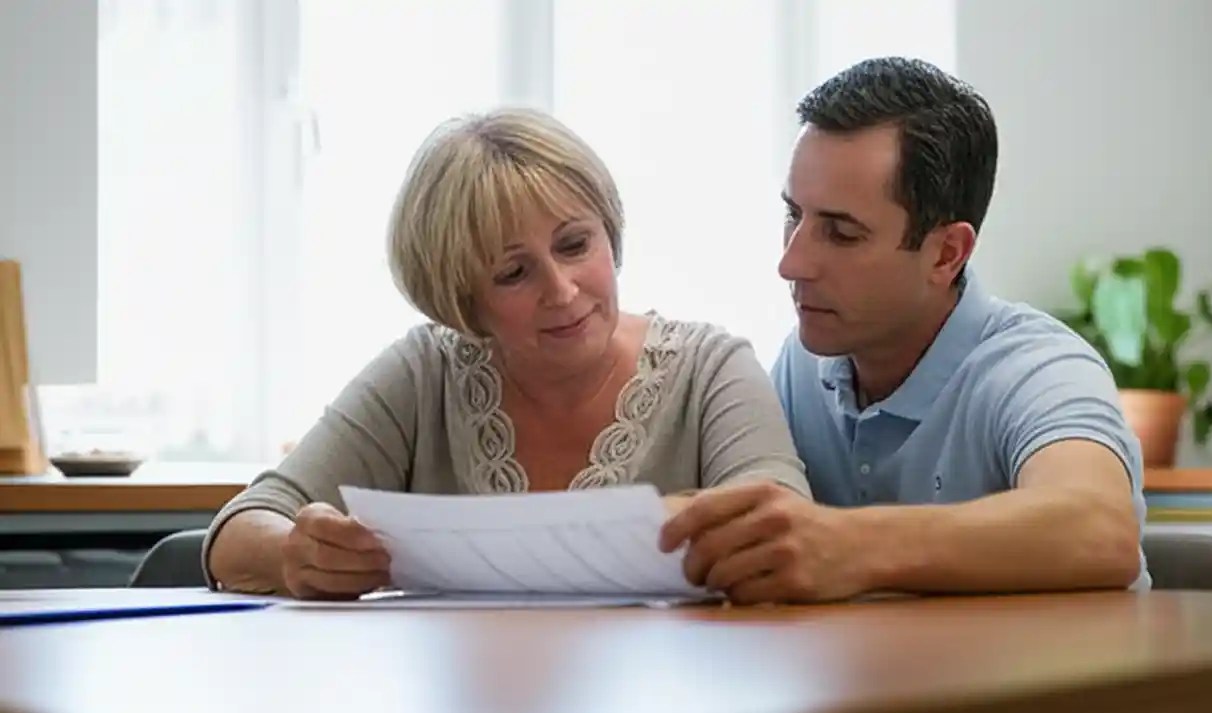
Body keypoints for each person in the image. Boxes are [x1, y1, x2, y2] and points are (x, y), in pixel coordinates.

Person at [204, 107, 810, 599]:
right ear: (462, 299)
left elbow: (791, 533)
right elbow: (240, 528)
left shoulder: (710, 369)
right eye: (514, 273)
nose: (562, 291)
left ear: (610, 232)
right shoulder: (424, 372)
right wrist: (294, 554)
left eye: (575, 245)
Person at [660, 57, 1149, 603]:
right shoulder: (803, 364)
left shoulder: (1038, 368)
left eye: (841, 234)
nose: (791, 264)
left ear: (946, 253)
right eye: (794, 216)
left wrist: (853, 545)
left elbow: (1101, 530)